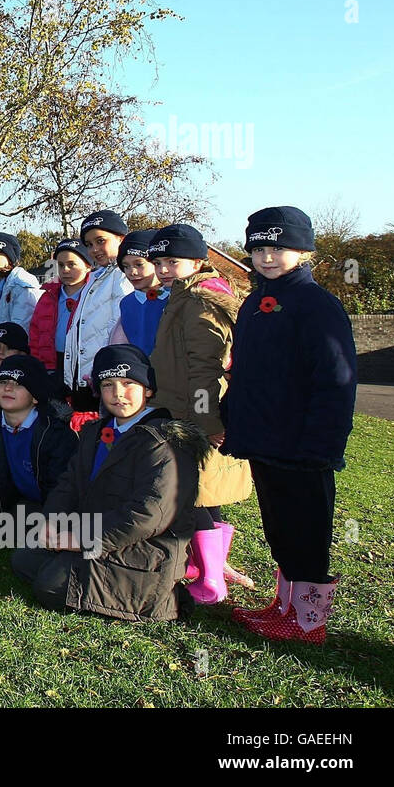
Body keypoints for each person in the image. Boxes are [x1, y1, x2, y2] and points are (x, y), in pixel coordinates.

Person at [222, 207, 356, 644]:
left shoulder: (317, 305)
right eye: (259, 248)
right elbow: (243, 372)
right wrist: (233, 420)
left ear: (302, 249)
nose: (266, 257)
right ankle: (285, 606)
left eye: (277, 247)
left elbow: (335, 379)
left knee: (307, 532)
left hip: (303, 445)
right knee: (280, 529)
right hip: (266, 440)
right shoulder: (254, 305)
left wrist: (322, 443)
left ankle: (309, 621)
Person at [10, 344, 205, 622]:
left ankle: (162, 600)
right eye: (108, 384)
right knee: (23, 558)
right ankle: (74, 568)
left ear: (148, 389)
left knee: (49, 586)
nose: (119, 393)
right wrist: (52, 523)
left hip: (144, 551)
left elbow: (148, 515)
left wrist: (81, 540)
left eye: (129, 383)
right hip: (98, 534)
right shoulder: (95, 433)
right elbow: (69, 484)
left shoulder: (166, 442)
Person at [145, 223, 253, 606]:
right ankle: (208, 565)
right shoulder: (183, 294)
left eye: (172, 261)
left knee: (197, 493)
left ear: (197, 260)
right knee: (207, 491)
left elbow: (204, 368)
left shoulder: (201, 299)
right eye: (158, 261)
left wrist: (206, 421)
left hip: (198, 408)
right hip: (184, 405)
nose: (163, 268)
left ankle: (210, 580)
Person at [0, 355, 76, 535]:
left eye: (18, 384)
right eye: (3, 381)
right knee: (2, 527)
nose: (8, 387)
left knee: (23, 541)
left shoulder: (54, 432)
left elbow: (60, 487)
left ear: (35, 397)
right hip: (23, 499)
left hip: (58, 504)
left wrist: (53, 526)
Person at [61, 210, 134, 412]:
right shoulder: (95, 277)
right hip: (85, 377)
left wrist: (100, 370)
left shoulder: (122, 276)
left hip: (104, 376)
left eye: (100, 241)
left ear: (121, 239)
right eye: (89, 244)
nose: (94, 249)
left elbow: (117, 327)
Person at [28, 238, 92, 375]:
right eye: (61, 265)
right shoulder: (47, 296)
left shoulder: (95, 297)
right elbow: (35, 333)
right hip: (51, 366)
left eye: (71, 264)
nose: (65, 270)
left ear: (88, 265)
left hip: (82, 366)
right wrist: (37, 364)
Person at [108, 230, 167, 354]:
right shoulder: (127, 303)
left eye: (139, 264)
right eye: (126, 266)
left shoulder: (174, 298)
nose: (132, 272)